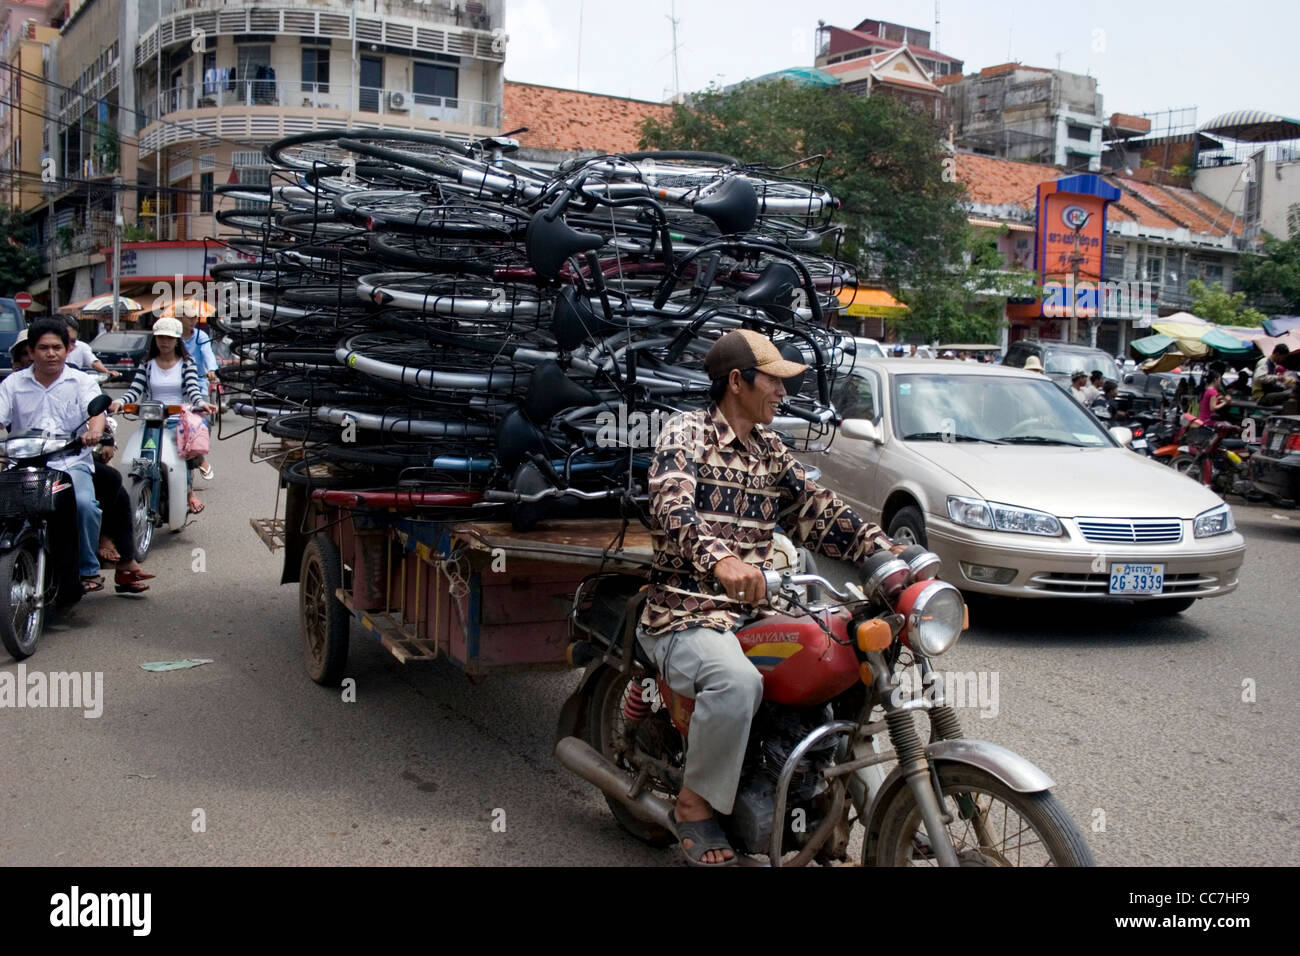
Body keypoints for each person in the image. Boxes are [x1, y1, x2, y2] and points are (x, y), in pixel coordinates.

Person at [638, 330, 901, 866]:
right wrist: (722, 560)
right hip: (684, 610)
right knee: (736, 682)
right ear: (737, 381)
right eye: (774, 380)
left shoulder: (770, 449)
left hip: (757, 610)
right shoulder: (684, 433)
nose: (783, 392)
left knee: (845, 657)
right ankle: (694, 806)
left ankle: (846, 796)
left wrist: (889, 553)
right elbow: (672, 508)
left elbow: (819, 512)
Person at [0, 318, 106, 592]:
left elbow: (97, 415)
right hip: (23, 464)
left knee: (84, 505)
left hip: (69, 463)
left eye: (56, 347)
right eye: (43, 348)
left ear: (68, 349)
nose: (50, 353)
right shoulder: (12, 384)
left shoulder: (82, 381)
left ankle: (88, 569)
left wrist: (93, 432)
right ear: (32, 351)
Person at [108, 317, 217, 516]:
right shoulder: (147, 364)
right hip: (151, 419)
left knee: (180, 456)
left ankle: (189, 493)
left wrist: (201, 403)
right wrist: (120, 402)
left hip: (178, 420)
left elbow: (193, 390)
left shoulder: (187, 363)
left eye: (168, 338)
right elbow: (135, 390)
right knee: (140, 455)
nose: (164, 342)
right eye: (160, 337)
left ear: (177, 340)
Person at [91, 415, 153, 593]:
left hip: (75, 456)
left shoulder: (78, 387)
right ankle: (103, 537)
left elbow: (97, 413)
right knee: (109, 481)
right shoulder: (13, 388)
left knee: (119, 492)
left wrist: (106, 438)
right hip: (32, 458)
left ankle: (125, 563)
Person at [175, 306, 218, 480]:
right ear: (180, 317)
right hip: (176, 383)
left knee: (203, 422)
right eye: (189, 317)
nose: (193, 321)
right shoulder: (174, 337)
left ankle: (199, 454)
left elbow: (209, 355)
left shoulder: (201, 336)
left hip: (199, 382)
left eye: (195, 317)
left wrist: (212, 371)